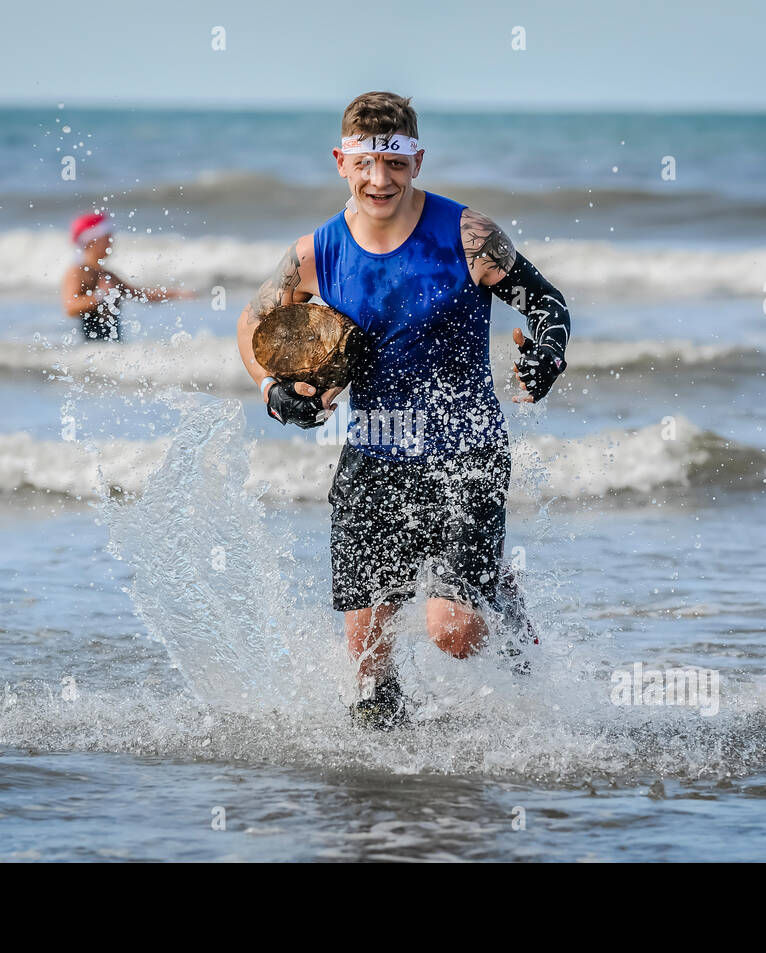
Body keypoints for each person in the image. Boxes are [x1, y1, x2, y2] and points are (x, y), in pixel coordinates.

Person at [236, 92, 571, 730]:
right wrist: (272, 390)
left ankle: (497, 592)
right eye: (365, 163)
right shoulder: (316, 254)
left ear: (416, 161)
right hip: (373, 451)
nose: (379, 180)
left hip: (464, 452)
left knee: (455, 636)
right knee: (370, 670)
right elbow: (251, 322)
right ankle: (384, 794)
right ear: (342, 161)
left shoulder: (469, 236)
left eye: (394, 163)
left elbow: (547, 304)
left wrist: (545, 354)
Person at [60, 212, 194, 341]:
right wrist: (100, 295)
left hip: (113, 350)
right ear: (92, 240)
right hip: (89, 352)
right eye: (107, 237)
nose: (111, 242)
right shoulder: (77, 272)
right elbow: (71, 307)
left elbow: (142, 294)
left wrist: (176, 294)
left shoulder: (108, 275)